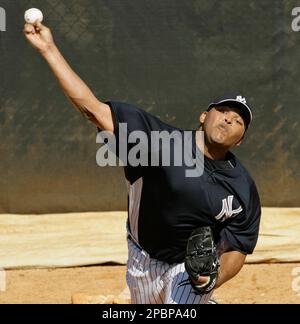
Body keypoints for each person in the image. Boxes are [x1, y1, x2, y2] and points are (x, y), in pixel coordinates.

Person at [23, 22, 261, 304]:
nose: (228, 119)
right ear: (203, 116)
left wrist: (212, 278)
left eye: (238, 121)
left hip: (187, 268)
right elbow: (94, 110)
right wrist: (49, 49)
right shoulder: (159, 143)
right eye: (223, 111)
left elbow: (239, 247)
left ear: (240, 140)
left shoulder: (241, 188)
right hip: (142, 258)